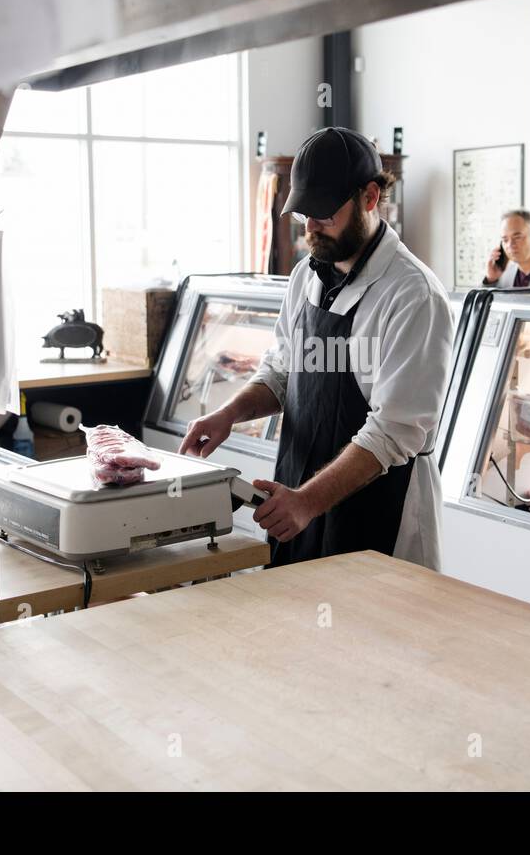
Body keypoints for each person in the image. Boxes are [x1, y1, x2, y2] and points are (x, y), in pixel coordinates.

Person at [181, 127, 454, 570]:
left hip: (379, 511)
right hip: (297, 500)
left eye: (324, 213)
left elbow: (396, 430)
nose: (310, 228)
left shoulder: (412, 294)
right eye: (304, 214)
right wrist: (228, 414)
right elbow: (281, 372)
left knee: (370, 636)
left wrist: (308, 501)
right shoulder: (306, 274)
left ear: (369, 197)